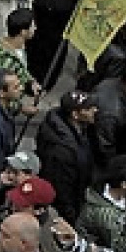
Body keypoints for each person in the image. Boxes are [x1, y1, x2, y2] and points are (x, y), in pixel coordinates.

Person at [35, 91, 97, 225]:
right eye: (88, 109)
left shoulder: (76, 129)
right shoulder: (63, 151)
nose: (95, 110)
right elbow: (62, 189)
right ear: (75, 115)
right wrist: (70, 217)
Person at [0, 8, 39, 98]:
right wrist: (21, 108)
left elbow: (20, 69)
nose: (35, 28)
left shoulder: (19, 46)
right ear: (23, 32)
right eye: (32, 26)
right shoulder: (0, 61)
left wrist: (30, 81)